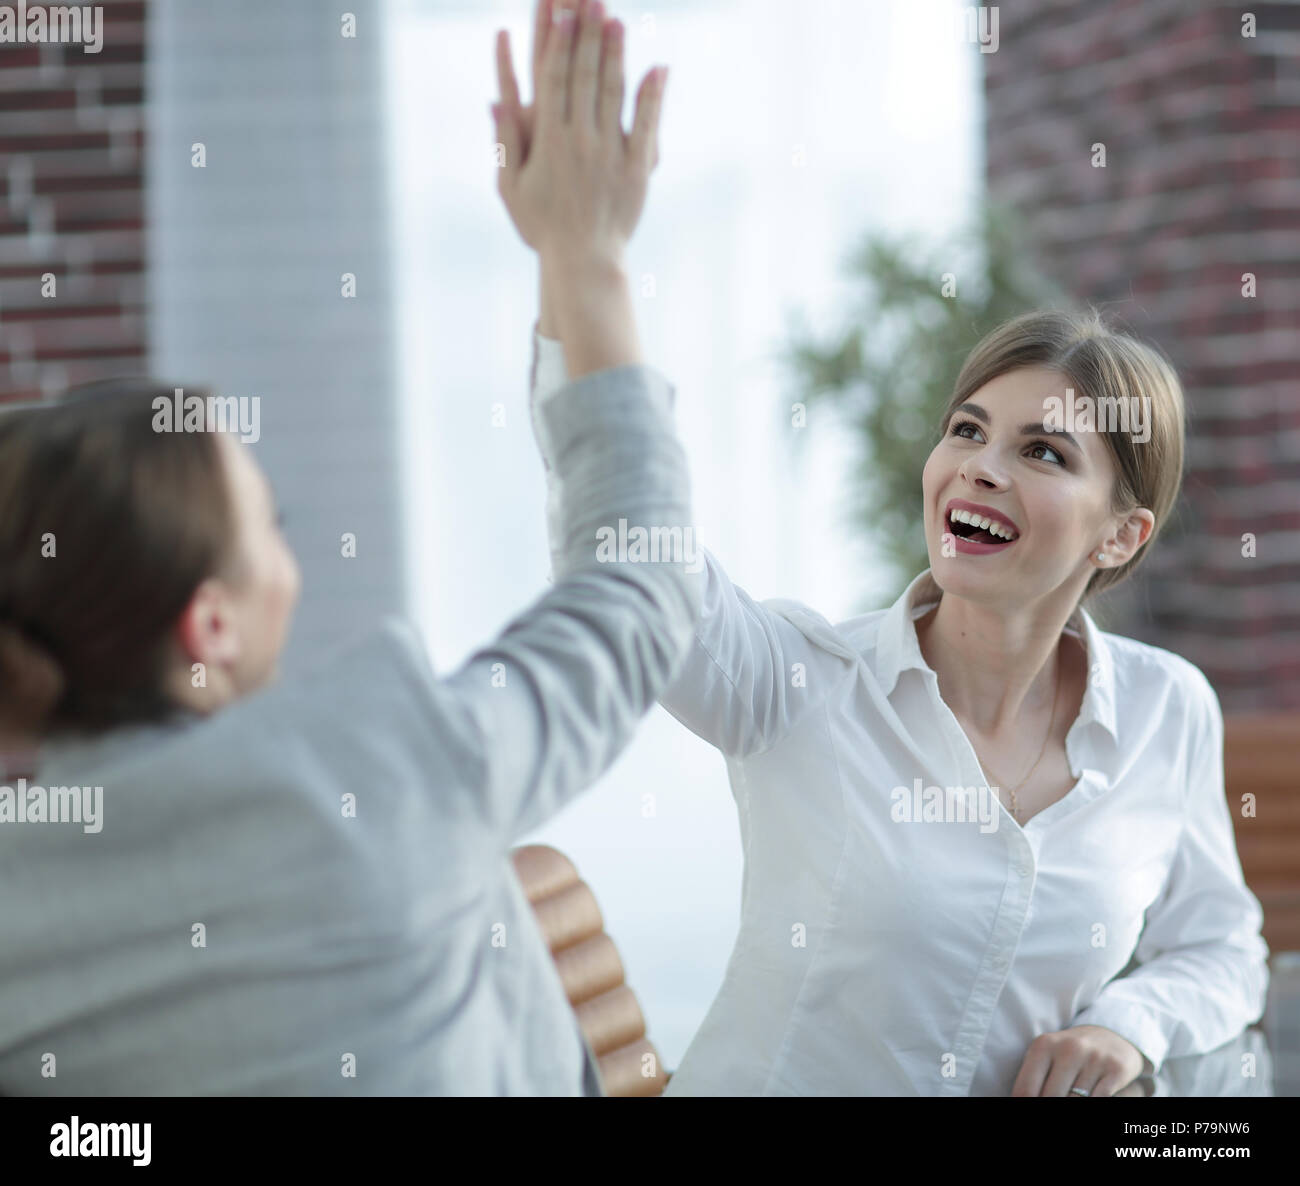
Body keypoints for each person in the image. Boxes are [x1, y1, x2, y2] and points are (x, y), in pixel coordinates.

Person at [0, 0, 689, 1096]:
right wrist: (584, 250)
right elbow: (639, 590)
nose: (292, 560)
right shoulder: (382, 767)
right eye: (272, 527)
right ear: (208, 625)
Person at [531, 294, 1270, 1094]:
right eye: (967, 430)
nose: (980, 466)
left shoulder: (1169, 709)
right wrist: (581, 260)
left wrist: (1129, 1025)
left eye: (1044, 453)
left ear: (1120, 534)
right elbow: (627, 557)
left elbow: (1222, 947)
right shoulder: (797, 682)